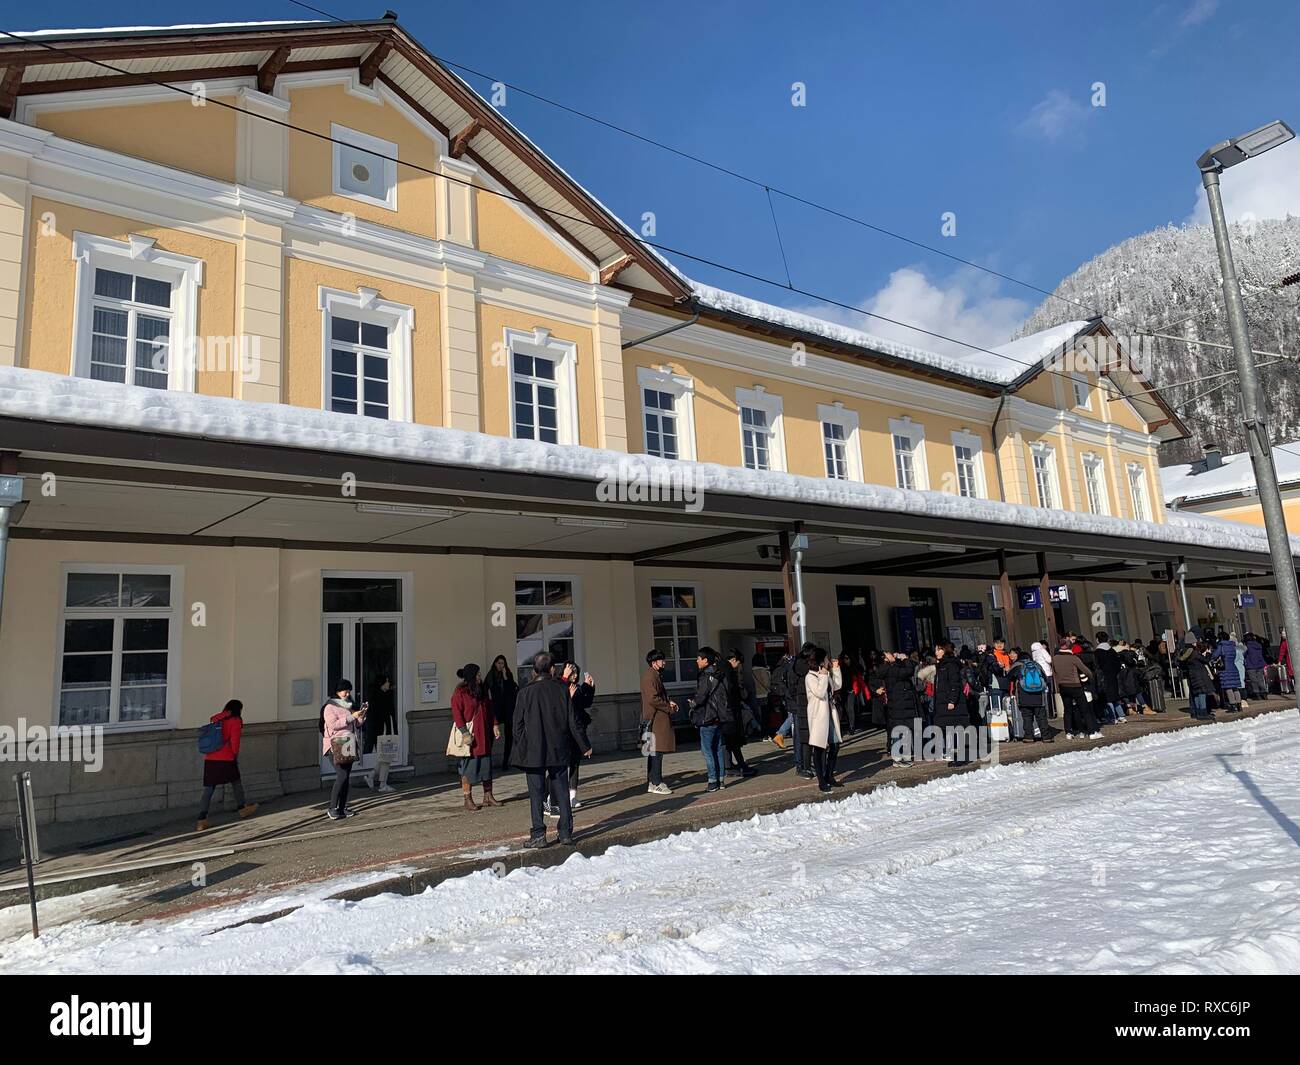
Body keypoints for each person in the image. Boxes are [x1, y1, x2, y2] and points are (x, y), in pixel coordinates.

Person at [512, 651, 592, 847]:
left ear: (533, 671)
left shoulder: (525, 692)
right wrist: (584, 745)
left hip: (533, 751)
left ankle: (538, 834)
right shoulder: (561, 690)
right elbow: (572, 721)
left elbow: (517, 726)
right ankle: (565, 833)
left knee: (536, 794)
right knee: (562, 792)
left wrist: (523, 745)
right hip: (559, 748)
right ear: (552, 669)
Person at [196, 699, 258, 831]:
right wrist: (235, 755)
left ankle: (202, 819)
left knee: (208, 788)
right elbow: (235, 741)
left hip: (211, 758)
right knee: (236, 783)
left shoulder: (218, 718)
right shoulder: (235, 721)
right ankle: (242, 808)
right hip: (226, 758)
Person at [546, 662, 596, 815]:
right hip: (565, 732)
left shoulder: (575, 687)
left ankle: (572, 796)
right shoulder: (559, 686)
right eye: (571, 673)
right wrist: (569, 696)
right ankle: (550, 798)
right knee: (559, 766)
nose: (575, 676)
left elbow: (584, 703)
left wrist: (589, 687)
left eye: (576, 673)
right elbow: (560, 707)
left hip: (577, 730)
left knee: (575, 762)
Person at [451, 663, 501, 811]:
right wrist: (464, 732)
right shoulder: (460, 693)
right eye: (477, 674)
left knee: (487, 766)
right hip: (471, 736)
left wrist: (495, 724)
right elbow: (457, 714)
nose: (480, 677)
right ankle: (467, 798)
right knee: (468, 768)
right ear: (471, 677)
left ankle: (488, 796)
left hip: (484, 734)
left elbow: (489, 709)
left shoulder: (482, 691)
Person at [321, 680, 367, 820]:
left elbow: (356, 724)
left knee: (346, 777)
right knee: (341, 775)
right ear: (337, 692)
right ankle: (332, 807)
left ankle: (342, 807)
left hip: (348, 743)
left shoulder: (348, 705)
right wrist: (350, 717)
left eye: (349, 691)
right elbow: (333, 725)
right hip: (335, 744)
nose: (347, 693)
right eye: (345, 691)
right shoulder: (330, 706)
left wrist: (362, 715)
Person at [689, 647, 733, 792]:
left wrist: (693, 703)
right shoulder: (721, 674)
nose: (697, 661)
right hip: (719, 717)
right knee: (718, 748)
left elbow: (701, 697)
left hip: (707, 716)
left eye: (699, 658)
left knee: (707, 750)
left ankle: (712, 781)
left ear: (705, 660)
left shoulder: (705, 676)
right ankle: (721, 780)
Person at [804, 647, 842, 792]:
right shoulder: (810, 677)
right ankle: (821, 781)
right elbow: (820, 692)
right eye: (826, 659)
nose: (828, 661)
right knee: (819, 749)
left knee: (835, 745)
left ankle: (829, 775)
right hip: (819, 717)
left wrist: (836, 670)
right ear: (820, 661)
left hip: (829, 715)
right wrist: (824, 675)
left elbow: (836, 686)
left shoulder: (824, 674)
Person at [640, 649, 677, 795]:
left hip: (656, 717)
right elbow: (653, 699)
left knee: (654, 751)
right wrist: (668, 707)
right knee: (656, 751)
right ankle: (656, 782)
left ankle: (653, 781)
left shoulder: (654, 675)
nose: (664, 662)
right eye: (661, 660)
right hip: (655, 719)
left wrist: (668, 702)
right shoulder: (650, 676)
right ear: (654, 662)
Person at [878, 649, 921, 767]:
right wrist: (905, 659)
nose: (893, 655)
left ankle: (902, 757)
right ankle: (899, 758)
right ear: (885, 658)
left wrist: (897, 661)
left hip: (900, 704)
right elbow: (909, 671)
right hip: (900, 704)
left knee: (902, 730)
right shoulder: (891, 668)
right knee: (901, 731)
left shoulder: (890, 668)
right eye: (889, 654)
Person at [1051, 640, 1100, 739]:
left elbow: (1054, 672)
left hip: (1063, 686)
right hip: (1075, 685)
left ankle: (1069, 732)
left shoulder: (1054, 658)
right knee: (1084, 709)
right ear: (1070, 647)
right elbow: (1086, 671)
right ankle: (1092, 732)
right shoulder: (1073, 658)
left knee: (1067, 709)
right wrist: (1091, 677)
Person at [723, 649, 758, 778]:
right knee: (732, 741)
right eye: (738, 663)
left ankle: (733, 765)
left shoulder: (723, 670)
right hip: (729, 712)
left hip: (727, 712)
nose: (738, 666)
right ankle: (735, 766)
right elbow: (736, 693)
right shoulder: (728, 673)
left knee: (730, 742)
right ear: (733, 660)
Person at [361, 674, 399, 793]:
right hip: (384, 730)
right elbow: (385, 715)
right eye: (387, 682)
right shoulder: (380, 697)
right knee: (386, 756)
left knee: (385, 756)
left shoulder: (379, 695)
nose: (389, 683)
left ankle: (372, 776)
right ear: (382, 683)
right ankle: (382, 783)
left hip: (383, 729)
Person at [932, 642, 968, 763]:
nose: (936, 652)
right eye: (936, 650)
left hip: (951, 702)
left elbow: (955, 684)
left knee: (954, 729)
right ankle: (953, 755)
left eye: (938, 649)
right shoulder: (941, 665)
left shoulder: (950, 665)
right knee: (948, 729)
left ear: (945, 650)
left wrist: (952, 700)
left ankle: (959, 757)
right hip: (943, 702)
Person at [1009, 648, 1053, 744]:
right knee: (1041, 716)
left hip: (1023, 695)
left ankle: (1029, 736)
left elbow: (1009, 677)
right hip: (1038, 695)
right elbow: (1045, 678)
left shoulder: (1017, 665)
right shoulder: (1037, 665)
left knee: (1027, 716)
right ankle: (1046, 737)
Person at [486, 655, 518, 771]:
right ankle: (487, 761)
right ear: (495, 663)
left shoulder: (508, 675)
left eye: (502, 664)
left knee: (509, 736)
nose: (501, 666)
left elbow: (511, 689)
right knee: (491, 735)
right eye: (499, 663)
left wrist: (505, 677)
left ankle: (506, 762)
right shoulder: (491, 675)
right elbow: (486, 689)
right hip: (496, 709)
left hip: (508, 709)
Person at [1179, 642, 1217, 720]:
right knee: (1202, 694)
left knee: (1196, 694)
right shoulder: (1195, 653)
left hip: (1192, 676)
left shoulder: (1185, 654)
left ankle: (1198, 712)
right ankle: (1203, 713)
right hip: (1200, 676)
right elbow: (1205, 660)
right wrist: (1208, 653)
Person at [1093, 633, 1123, 724]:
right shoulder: (1112, 651)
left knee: (1107, 698)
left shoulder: (1097, 652)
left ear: (1097, 640)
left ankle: (1112, 717)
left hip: (1103, 677)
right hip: (1113, 676)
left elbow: (1096, 666)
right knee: (1115, 696)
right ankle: (1121, 716)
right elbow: (1118, 664)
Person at [1213, 630, 1245, 712]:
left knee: (1228, 687)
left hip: (1225, 669)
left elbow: (1215, 655)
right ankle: (1239, 705)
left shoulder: (1221, 646)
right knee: (1235, 687)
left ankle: (1232, 705)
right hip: (1233, 668)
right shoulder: (1232, 646)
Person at [1243, 632, 1268, 702]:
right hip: (1260, 664)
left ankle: (1257, 694)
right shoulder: (1258, 645)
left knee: (1254, 681)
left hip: (1251, 665)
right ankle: (1264, 692)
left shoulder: (1247, 646)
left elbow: (1243, 654)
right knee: (1260, 679)